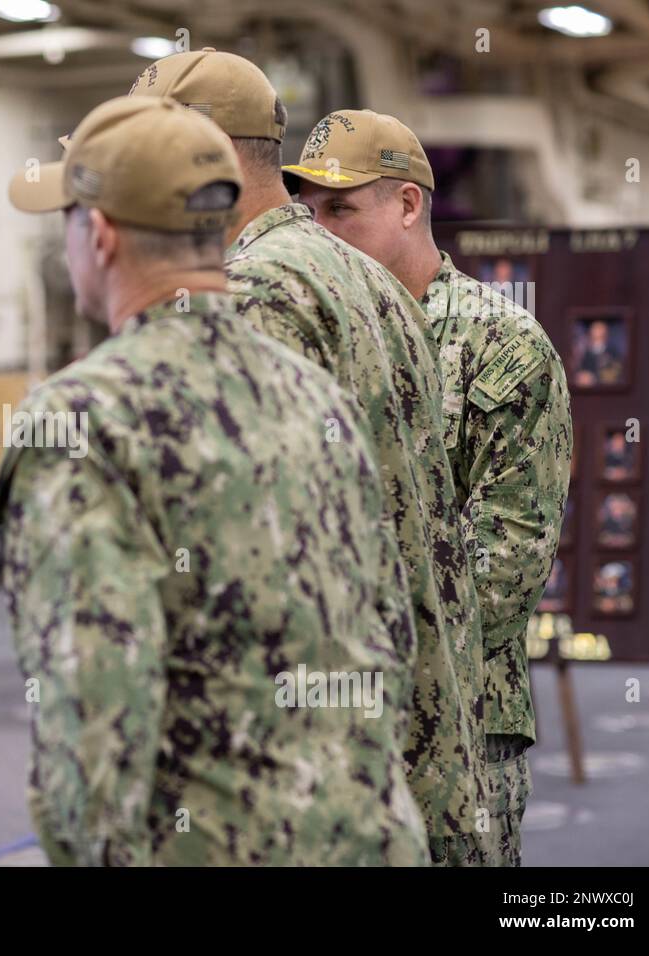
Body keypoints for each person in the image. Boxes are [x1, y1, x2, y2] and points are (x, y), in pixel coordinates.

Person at [0, 95, 428, 865]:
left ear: (98, 234)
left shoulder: (84, 420)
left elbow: (95, 721)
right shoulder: (313, 394)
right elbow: (389, 636)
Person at [129, 51, 486, 860]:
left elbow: (255, 566)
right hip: (422, 734)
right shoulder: (367, 281)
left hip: (321, 777)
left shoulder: (253, 293)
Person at [288, 108, 573, 865]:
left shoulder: (501, 344)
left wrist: (375, 663)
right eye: (307, 211)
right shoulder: (316, 340)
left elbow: (507, 560)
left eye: (341, 207)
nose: (318, 230)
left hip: (459, 719)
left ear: (409, 205)